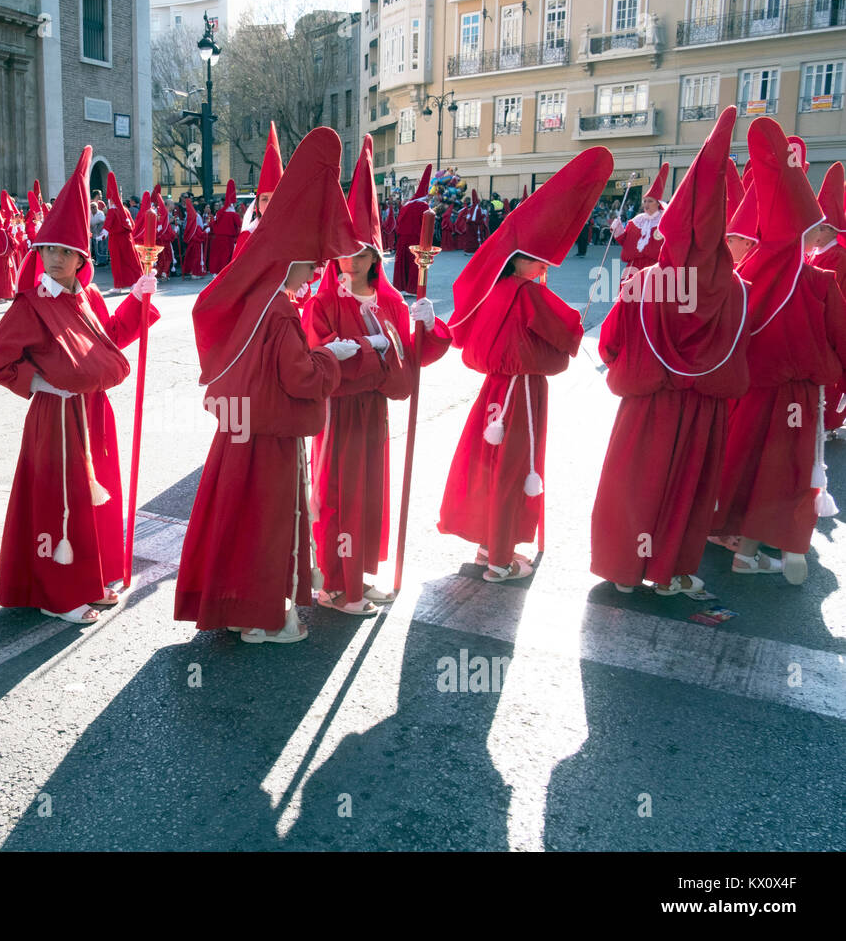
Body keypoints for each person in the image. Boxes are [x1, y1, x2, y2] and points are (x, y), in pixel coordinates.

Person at [175, 127, 361, 644]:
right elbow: (300, 378)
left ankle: (237, 608)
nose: (314, 273)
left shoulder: (260, 301)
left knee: (236, 520)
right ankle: (263, 614)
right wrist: (330, 357)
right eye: (309, 264)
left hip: (238, 434)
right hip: (270, 439)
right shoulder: (280, 310)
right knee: (270, 523)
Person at [0, 145, 159, 622]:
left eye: (65, 252)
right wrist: (36, 383)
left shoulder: (89, 294)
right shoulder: (31, 302)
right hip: (56, 415)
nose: (55, 259)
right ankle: (60, 595)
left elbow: (110, 341)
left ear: (82, 258)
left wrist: (138, 302)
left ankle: (91, 578)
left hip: (93, 410)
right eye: (47, 250)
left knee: (92, 500)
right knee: (62, 502)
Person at [590, 106, 751, 597]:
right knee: (687, 488)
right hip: (702, 409)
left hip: (649, 404)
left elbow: (610, 342)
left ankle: (624, 567)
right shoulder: (738, 291)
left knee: (638, 482)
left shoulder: (645, 282)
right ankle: (672, 570)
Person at [438, 146, 613, 581]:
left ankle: (486, 545)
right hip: (523, 391)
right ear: (524, 261)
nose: (546, 265)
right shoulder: (528, 292)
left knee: (488, 465)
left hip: (495, 390)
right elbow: (567, 331)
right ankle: (500, 558)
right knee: (515, 469)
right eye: (541, 259)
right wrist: (577, 325)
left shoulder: (497, 289)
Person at [306, 135, 450, 614]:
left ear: (375, 255)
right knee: (338, 496)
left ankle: (360, 574)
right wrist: (374, 355)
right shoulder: (324, 301)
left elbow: (410, 363)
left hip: (373, 416)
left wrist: (428, 327)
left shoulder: (389, 300)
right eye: (344, 251)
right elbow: (322, 359)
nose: (350, 261)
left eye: (361, 252)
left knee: (368, 497)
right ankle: (334, 585)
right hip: (339, 413)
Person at [712, 117, 846, 585]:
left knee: (741, 460)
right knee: (783, 473)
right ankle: (763, 543)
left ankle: (727, 531)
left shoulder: (747, 275)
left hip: (750, 388)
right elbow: (843, 336)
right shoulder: (820, 281)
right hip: (799, 394)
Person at [807, 162, 846, 436]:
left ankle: (830, 420)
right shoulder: (812, 255)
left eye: (821, 230)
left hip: (831, 321)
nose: (816, 235)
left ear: (833, 231)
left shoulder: (839, 258)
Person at [234, 122, 284, 258]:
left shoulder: (292, 233)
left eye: (274, 199)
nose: (269, 204)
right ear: (257, 204)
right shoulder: (248, 236)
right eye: (264, 199)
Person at [611, 164, 669, 274]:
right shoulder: (637, 221)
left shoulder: (664, 222)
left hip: (655, 268)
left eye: (650, 201)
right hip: (634, 267)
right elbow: (626, 242)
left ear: (658, 204)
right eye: (645, 201)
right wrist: (617, 229)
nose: (646, 204)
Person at [392, 166, 433, 292]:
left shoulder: (407, 205)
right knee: (414, 263)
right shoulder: (424, 206)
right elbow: (426, 224)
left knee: (402, 262)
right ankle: (412, 288)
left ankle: (400, 286)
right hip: (416, 238)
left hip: (402, 238)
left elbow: (399, 221)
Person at [103, 173, 142, 292]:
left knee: (117, 262)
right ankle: (134, 282)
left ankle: (119, 285)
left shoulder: (113, 210)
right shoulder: (125, 209)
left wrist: (103, 234)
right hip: (127, 238)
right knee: (130, 260)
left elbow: (108, 224)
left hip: (116, 239)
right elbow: (132, 225)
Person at [206, 180, 241, 275]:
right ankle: (224, 273)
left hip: (217, 238)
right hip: (228, 239)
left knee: (216, 256)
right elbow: (240, 225)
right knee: (226, 256)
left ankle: (215, 272)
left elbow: (213, 224)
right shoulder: (234, 215)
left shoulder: (219, 213)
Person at [180, 197, 206, 277]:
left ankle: (191, 271)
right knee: (196, 258)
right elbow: (200, 232)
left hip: (191, 242)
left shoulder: (189, 219)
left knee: (191, 257)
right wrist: (206, 231)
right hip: (196, 242)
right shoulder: (196, 220)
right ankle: (195, 272)